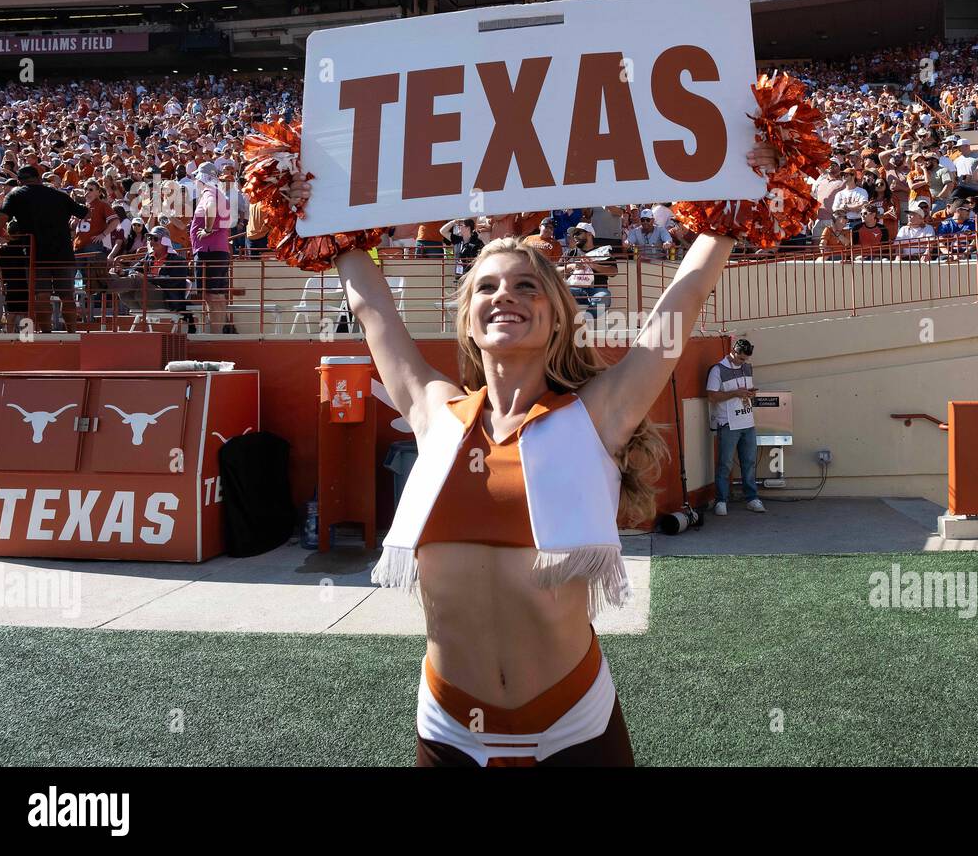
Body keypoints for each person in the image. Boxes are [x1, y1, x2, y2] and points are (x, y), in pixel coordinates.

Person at [309, 140, 779, 767]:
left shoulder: (597, 413)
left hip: (574, 726)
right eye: (487, 288)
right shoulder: (432, 411)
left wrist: (732, 206)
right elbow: (371, 309)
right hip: (448, 726)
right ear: (468, 319)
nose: (505, 296)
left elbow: (680, 309)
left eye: (527, 286)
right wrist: (318, 208)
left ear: (557, 318)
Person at [0, 164, 86, 333]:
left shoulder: (16, 194)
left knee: (41, 296)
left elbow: (1, 217)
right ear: (39, 179)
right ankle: (72, 334)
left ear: (19, 181)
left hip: (36, 255)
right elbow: (84, 213)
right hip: (63, 253)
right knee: (67, 296)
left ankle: (46, 334)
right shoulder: (60, 195)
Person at [705, 338, 765, 517]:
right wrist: (735, 394)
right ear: (733, 351)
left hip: (748, 421)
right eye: (740, 358)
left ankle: (752, 498)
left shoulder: (747, 367)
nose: (743, 362)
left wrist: (749, 393)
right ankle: (721, 500)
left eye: (745, 359)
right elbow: (712, 396)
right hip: (728, 423)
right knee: (725, 464)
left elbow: (744, 390)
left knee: (749, 463)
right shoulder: (717, 370)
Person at [189, 162, 234, 333]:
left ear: (202, 177)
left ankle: (215, 334)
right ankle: (218, 333)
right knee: (217, 296)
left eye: (196, 177)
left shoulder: (209, 193)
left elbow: (210, 208)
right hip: (218, 250)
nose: (194, 181)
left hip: (209, 252)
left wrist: (207, 230)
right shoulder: (220, 194)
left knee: (211, 296)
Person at [557, 222, 615, 321]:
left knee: (604, 296)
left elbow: (613, 271)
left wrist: (593, 265)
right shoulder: (570, 252)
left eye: (578, 233)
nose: (575, 236)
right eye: (573, 234)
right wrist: (571, 266)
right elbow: (555, 271)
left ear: (589, 234)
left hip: (596, 291)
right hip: (573, 290)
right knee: (557, 292)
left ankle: (583, 321)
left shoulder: (603, 252)